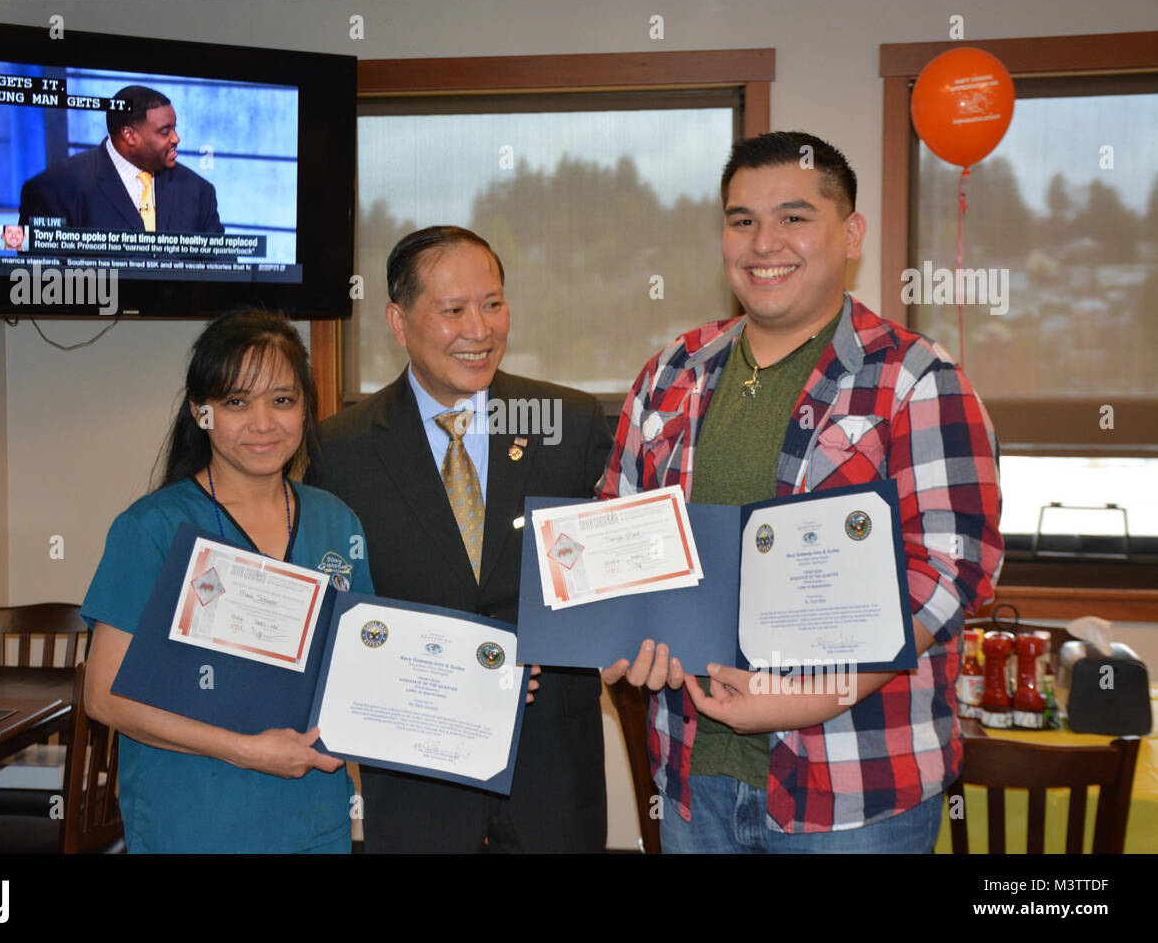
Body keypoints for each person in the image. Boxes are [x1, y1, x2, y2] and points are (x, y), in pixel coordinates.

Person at [600, 132, 1003, 852]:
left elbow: (948, 571)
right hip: (695, 780)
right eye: (741, 220)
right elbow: (619, 534)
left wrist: (804, 698)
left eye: (793, 217)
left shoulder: (915, 378)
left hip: (855, 791)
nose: (764, 243)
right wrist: (622, 631)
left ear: (850, 234)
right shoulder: (671, 374)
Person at [308, 226, 612, 852]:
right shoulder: (341, 450)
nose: (479, 329)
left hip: (551, 767)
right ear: (398, 321)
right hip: (415, 776)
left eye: (493, 303)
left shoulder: (569, 424)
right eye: (452, 310)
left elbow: (611, 578)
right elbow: (330, 612)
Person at [81, 310, 371, 853]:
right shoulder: (152, 529)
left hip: (313, 823)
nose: (263, 423)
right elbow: (104, 697)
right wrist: (244, 750)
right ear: (201, 412)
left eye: (282, 400)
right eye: (237, 402)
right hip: (192, 823)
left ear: (306, 408)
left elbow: (362, 668)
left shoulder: (338, 522)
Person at [18, 84, 221, 234]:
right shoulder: (53, 189)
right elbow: (42, 278)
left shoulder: (199, 191)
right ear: (129, 135)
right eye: (165, 131)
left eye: (174, 129)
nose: (176, 139)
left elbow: (221, 274)